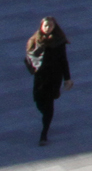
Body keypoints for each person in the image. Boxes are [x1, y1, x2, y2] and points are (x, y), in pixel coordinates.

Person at [27, 16, 74, 144]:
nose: (48, 28)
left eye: (50, 26)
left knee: (48, 104)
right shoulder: (36, 40)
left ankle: (44, 133)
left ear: (54, 27)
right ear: (41, 26)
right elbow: (30, 55)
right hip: (40, 77)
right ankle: (46, 118)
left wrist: (67, 78)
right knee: (39, 101)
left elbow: (63, 60)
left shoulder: (58, 41)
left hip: (54, 76)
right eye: (46, 26)